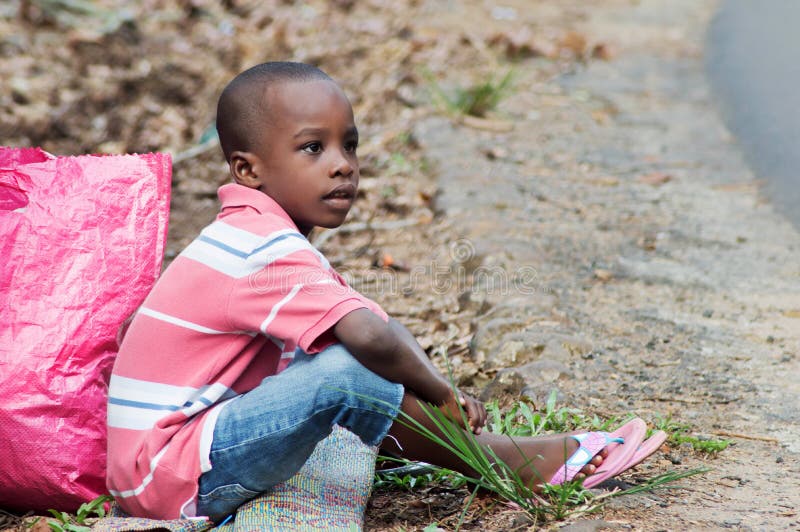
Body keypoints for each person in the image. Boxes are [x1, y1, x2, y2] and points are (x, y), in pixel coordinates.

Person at [106, 62, 648, 523]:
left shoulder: (258, 235)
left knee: (351, 366)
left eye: (350, 145)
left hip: (177, 461)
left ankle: (506, 457)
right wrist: (439, 390)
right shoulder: (257, 246)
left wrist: (435, 385)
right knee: (345, 372)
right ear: (248, 169)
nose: (342, 164)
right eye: (312, 148)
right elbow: (367, 338)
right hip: (168, 478)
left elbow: (371, 321)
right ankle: (508, 462)